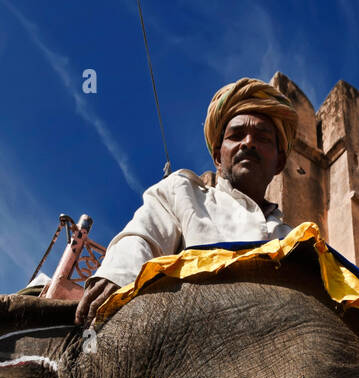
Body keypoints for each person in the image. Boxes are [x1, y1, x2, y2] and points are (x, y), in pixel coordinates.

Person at [44, 78, 299, 324]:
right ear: (218, 157)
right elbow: (144, 235)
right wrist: (118, 276)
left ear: (279, 162)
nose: (248, 143)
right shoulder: (183, 193)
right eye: (236, 135)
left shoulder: (294, 240)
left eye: (263, 138)